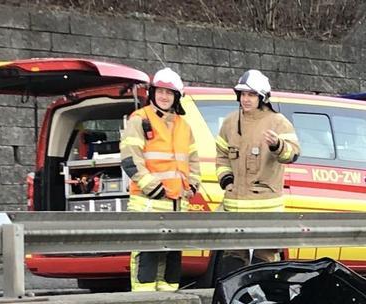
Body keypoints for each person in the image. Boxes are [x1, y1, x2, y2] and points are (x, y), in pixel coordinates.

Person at [120, 68, 199, 291]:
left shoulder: (183, 126)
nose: (164, 97)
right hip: (148, 202)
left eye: (169, 93)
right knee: (147, 255)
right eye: (160, 91)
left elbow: (193, 161)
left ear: (176, 97)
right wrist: (152, 187)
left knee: (172, 259)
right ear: (153, 93)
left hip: (177, 203)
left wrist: (192, 186)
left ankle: (169, 302)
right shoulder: (140, 119)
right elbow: (130, 159)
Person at [215, 70, 300, 269]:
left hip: (266, 209)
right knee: (231, 265)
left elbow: (293, 154)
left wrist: (277, 145)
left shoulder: (277, 122)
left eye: (251, 95)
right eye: (243, 94)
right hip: (234, 207)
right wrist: (227, 180)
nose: (246, 99)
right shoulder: (229, 123)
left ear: (262, 97)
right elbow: (221, 154)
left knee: (265, 265)